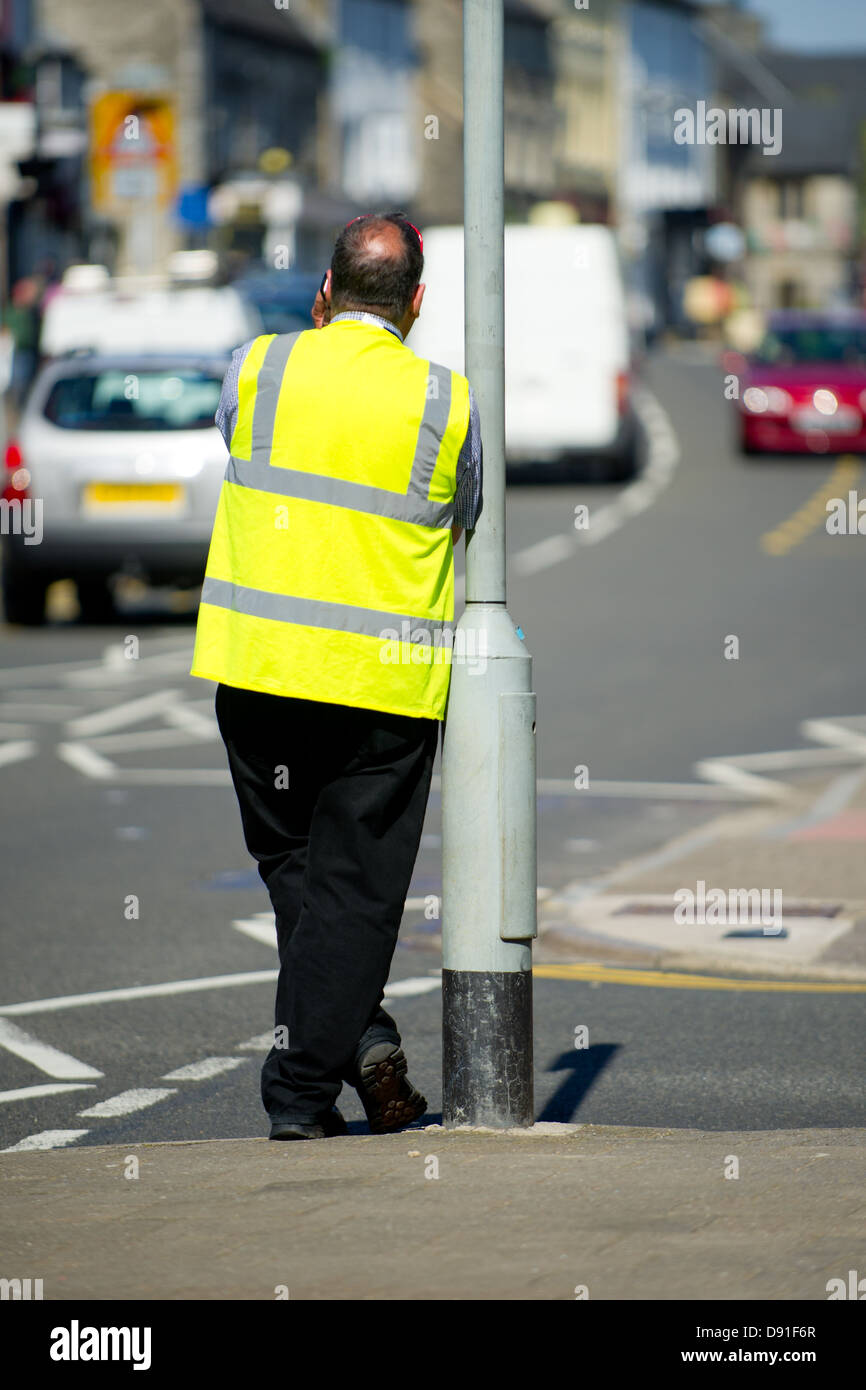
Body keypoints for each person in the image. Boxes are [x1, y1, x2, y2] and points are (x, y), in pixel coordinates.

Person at [191, 212, 482, 1139]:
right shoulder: (447, 401)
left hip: (260, 671)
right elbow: (462, 511)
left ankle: (363, 1039)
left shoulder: (258, 367)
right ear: (417, 305)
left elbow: (236, 441)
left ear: (325, 290)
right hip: (382, 689)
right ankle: (301, 1095)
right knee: (352, 897)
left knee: (298, 872)